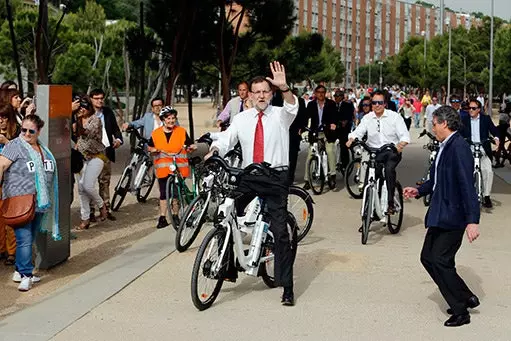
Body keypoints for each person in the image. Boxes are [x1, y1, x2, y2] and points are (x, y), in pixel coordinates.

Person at [208, 61, 298, 306]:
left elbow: (293, 107)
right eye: (256, 91)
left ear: (271, 94)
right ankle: (226, 268)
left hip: (275, 178)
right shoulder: (242, 118)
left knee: (280, 233)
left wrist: (285, 87)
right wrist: (215, 150)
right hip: (249, 175)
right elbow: (228, 138)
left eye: (265, 91)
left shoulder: (281, 115)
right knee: (225, 213)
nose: (261, 95)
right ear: (249, 94)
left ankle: (287, 286)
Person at [403, 105, 481, 327]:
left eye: (434, 123)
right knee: (428, 257)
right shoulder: (445, 146)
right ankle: (465, 296)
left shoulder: (459, 148)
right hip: (440, 213)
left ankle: (460, 311)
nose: (432, 127)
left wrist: (472, 220)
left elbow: (468, 186)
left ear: (444, 123)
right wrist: (419, 190)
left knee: (440, 260)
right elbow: (437, 180)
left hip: (453, 215)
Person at [0, 115, 59, 291]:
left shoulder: (42, 148)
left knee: (29, 238)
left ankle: (19, 271)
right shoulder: (15, 146)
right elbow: (1, 165)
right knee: (24, 239)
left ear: (38, 131)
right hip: (20, 200)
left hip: (39, 201)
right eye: (23, 129)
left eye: (30, 131)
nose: (26, 133)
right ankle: (26, 274)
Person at [347, 90, 410, 214]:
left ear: (385, 103)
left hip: (391, 151)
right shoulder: (367, 118)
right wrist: (351, 139)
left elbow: (405, 136)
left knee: (388, 170)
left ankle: (390, 202)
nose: (377, 105)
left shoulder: (394, 117)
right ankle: (366, 215)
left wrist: (400, 145)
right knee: (368, 181)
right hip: (374, 152)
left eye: (380, 102)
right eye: (374, 102)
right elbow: (358, 132)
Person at [147, 107, 194, 229]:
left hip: (178, 168)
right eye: (168, 118)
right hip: (163, 169)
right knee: (163, 193)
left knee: (175, 193)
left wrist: (191, 147)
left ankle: (175, 215)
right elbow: (150, 147)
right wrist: (154, 150)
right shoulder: (156, 133)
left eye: (173, 118)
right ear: (163, 119)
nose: (171, 121)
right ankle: (162, 217)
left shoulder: (181, 131)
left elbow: (189, 144)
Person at [88, 89, 123, 222]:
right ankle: (90, 212)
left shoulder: (107, 112)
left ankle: (105, 209)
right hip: (91, 152)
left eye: (101, 98)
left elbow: (115, 129)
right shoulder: (86, 112)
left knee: (105, 181)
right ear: (91, 99)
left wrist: (119, 140)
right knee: (89, 182)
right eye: (96, 98)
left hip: (106, 151)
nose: (100, 100)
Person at [74, 96, 108, 230]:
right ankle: (85, 218)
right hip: (81, 157)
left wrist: (77, 119)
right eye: (80, 106)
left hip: (96, 156)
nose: (82, 109)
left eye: (85, 106)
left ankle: (101, 205)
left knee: (87, 185)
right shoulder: (76, 119)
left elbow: (85, 133)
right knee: (81, 189)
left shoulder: (96, 120)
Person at [460, 98, 499, 208]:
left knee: (488, 170)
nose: (471, 110)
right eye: (469, 108)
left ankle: (486, 196)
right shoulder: (464, 119)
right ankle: (466, 195)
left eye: (473, 108)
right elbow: (459, 132)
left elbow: (494, 130)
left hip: (482, 148)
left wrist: (496, 137)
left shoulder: (486, 119)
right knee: (465, 172)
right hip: (469, 148)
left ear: (479, 110)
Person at [303, 85, 338, 189]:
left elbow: (335, 117)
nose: (321, 94)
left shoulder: (331, 104)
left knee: (330, 151)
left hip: (328, 133)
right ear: (315, 93)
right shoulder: (311, 105)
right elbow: (306, 118)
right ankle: (307, 180)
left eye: (323, 92)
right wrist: (304, 128)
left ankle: (332, 175)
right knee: (310, 154)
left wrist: (334, 124)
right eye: (318, 92)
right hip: (315, 133)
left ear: (325, 93)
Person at [0, 104, 20, 266]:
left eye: (5, 117)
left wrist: (6, 142)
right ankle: (1, 249)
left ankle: (12, 252)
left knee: (10, 218)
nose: (1, 121)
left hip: (12, 182)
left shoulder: (18, 132)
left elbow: (23, 154)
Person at [288, 89, 307, 184]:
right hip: (284, 130)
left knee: (293, 155)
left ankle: (291, 175)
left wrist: (302, 128)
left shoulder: (301, 102)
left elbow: (304, 116)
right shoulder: (282, 101)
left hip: (295, 131)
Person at [334, 90, 354, 173]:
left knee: (343, 146)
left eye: (338, 96)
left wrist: (345, 121)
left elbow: (350, 115)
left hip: (344, 128)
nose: (336, 98)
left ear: (342, 97)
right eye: (335, 96)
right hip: (335, 128)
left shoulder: (347, 105)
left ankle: (345, 164)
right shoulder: (332, 105)